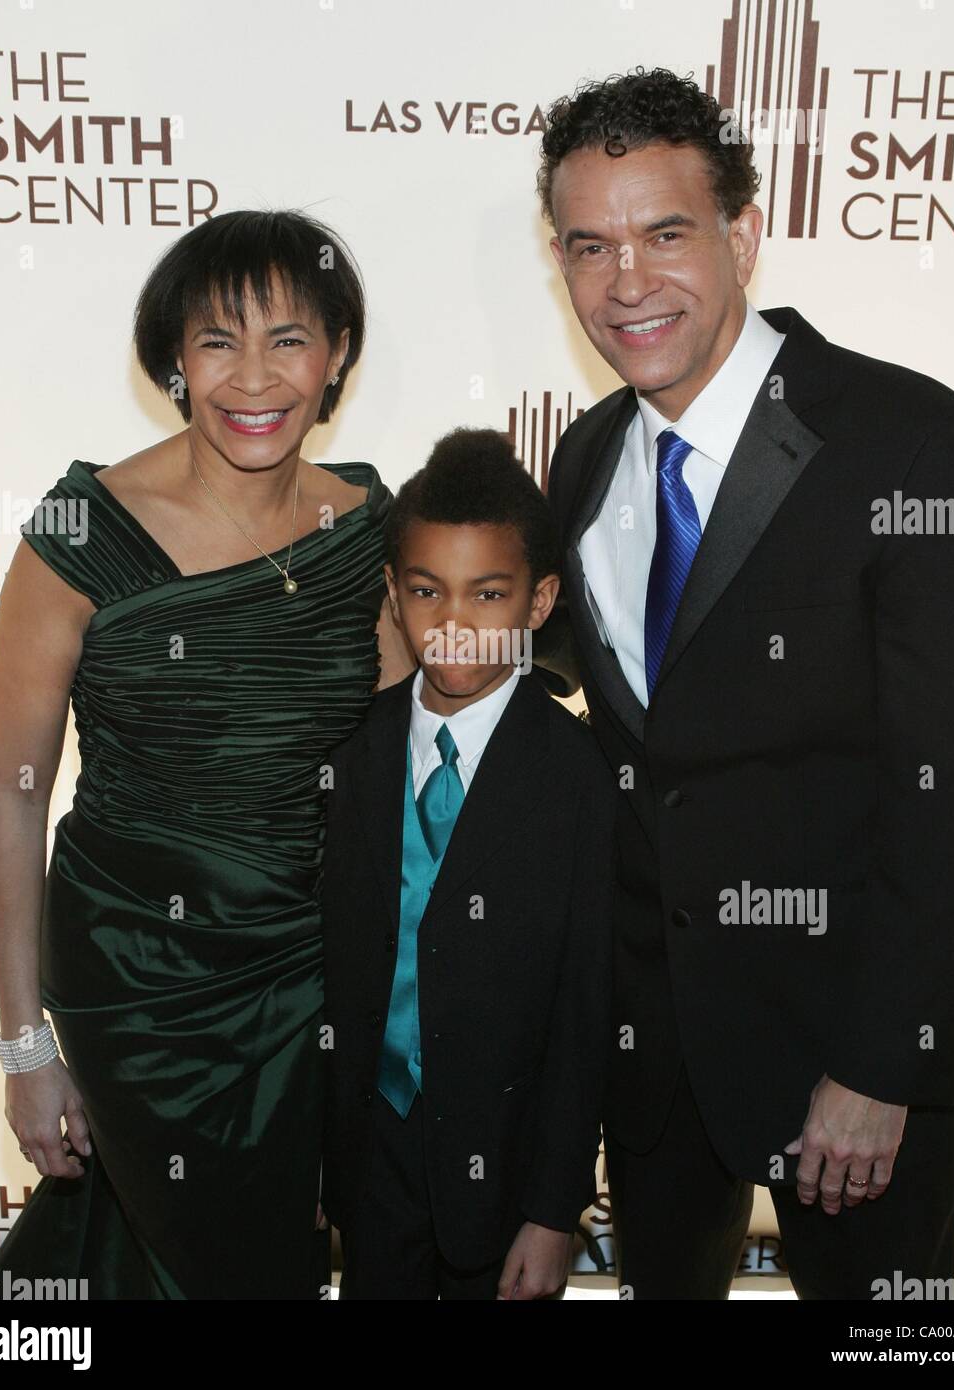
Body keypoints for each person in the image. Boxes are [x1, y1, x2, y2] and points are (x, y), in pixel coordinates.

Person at [537, 66, 954, 1299]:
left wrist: (880, 1065)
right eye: (588, 246)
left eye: (663, 234)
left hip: (851, 1066)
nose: (625, 281)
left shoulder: (918, 445)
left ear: (741, 235)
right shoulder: (585, 458)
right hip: (656, 1066)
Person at [0, 208, 417, 1300]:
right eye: (217, 340)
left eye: (288, 339)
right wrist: (26, 1049)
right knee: (229, 1256)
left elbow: (400, 783)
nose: (251, 377)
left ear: (338, 355)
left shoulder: (365, 526)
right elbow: (14, 800)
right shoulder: (82, 534)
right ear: (173, 357)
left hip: (309, 972)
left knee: (187, 1245)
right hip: (138, 976)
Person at [319, 428, 616, 1299]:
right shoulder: (350, 754)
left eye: (487, 595)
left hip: (509, 1173)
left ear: (537, 602)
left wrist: (554, 1209)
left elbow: (585, 1013)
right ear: (393, 593)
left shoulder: (579, 778)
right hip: (370, 1166)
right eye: (425, 591)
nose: (452, 626)